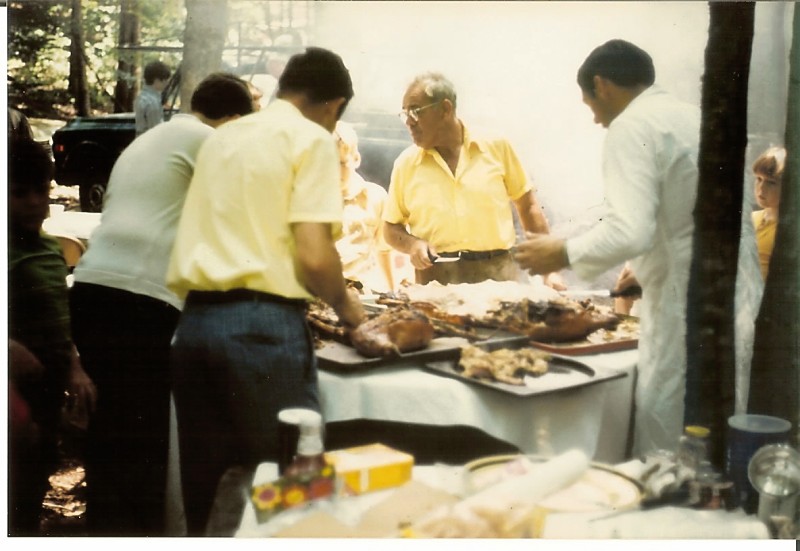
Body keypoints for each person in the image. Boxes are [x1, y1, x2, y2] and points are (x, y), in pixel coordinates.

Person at [165, 46, 366, 535]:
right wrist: (348, 309)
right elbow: (315, 255)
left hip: (194, 327)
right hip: (262, 330)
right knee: (288, 488)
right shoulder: (311, 140)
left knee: (210, 495)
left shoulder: (224, 137)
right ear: (333, 106)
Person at [68, 73, 254, 536]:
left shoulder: (152, 140)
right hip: (140, 300)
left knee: (107, 436)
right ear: (232, 119)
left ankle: (104, 533)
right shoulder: (209, 140)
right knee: (145, 440)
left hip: (90, 287)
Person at [514, 39, 701, 455]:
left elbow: (629, 231)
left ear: (601, 85)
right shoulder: (692, 117)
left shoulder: (631, 126)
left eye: (589, 105)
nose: (596, 120)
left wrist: (560, 252)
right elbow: (678, 218)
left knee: (667, 433)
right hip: (726, 301)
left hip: (680, 305)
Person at [382, 72, 561, 287]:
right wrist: (412, 244)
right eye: (405, 114)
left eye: (415, 111)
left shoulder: (497, 147)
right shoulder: (406, 164)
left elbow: (528, 206)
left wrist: (549, 271)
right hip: (435, 282)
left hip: (498, 276)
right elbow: (390, 227)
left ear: (445, 109)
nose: (409, 122)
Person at [8, 138, 97, 535]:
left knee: (35, 477)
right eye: (18, 193)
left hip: (47, 389)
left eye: (40, 191)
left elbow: (60, 323)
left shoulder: (49, 250)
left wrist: (75, 368)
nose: (33, 202)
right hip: (12, 392)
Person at [334, 120, 395, 293]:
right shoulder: (308, 199)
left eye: (340, 163)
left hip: (359, 295)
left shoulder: (376, 197)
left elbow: (384, 251)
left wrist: (393, 291)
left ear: (356, 158)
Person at [750, 146, 786, 280]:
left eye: (771, 183)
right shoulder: (751, 219)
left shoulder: (790, 231)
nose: (761, 188)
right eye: (758, 179)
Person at [135, 60, 171, 136]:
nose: (167, 83)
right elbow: (156, 130)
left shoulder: (141, 97)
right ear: (157, 80)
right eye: (165, 80)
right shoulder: (152, 102)